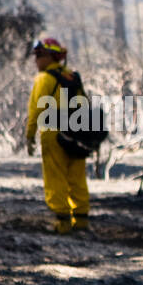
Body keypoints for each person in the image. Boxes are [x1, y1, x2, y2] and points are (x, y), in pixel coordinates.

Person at [25, 37, 89, 234]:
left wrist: (30, 135)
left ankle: (63, 222)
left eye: (39, 56)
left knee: (55, 177)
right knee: (77, 177)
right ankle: (81, 220)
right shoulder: (71, 76)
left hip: (53, 133)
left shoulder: (43, 79)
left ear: (51, 56)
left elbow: (36, 109)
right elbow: (83, 104)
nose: (36, 60)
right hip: (76, 133)